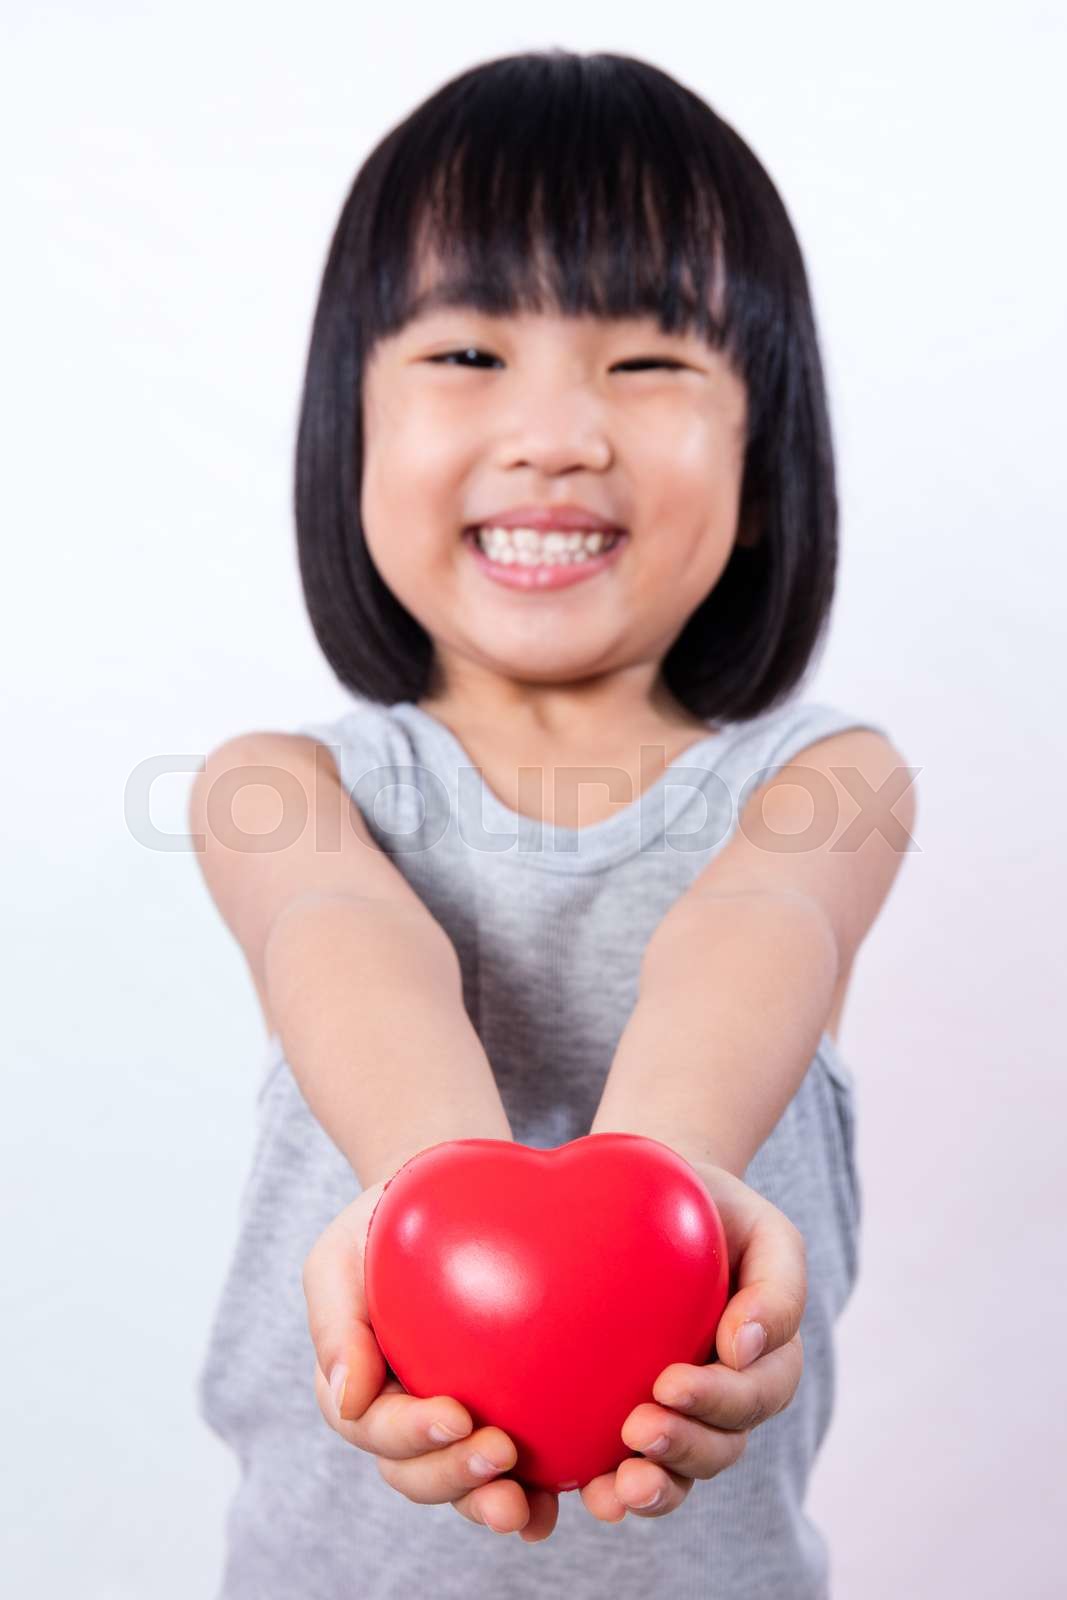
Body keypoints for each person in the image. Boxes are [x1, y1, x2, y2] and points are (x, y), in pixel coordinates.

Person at [190, 47, 916, 1599]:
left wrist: (657, 1190)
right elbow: (345, 939)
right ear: (351, 432)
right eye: (465, 356)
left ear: (763, 462)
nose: (557, 430)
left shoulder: (830, 781)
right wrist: (433, 1204)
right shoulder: (282, 786)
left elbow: (751, 935)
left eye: (648, 363)